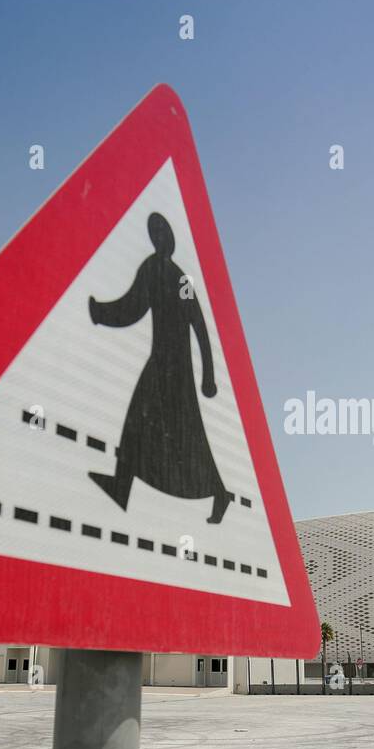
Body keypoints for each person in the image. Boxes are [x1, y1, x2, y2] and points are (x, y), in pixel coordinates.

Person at [88, 212, 234, 524]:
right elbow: (134, 305)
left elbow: (199, 324)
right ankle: (121, 486)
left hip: (177, 367)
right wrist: (101, 312)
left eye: (163, 232)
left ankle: (218, 493)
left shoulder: (179, 277)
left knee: (188, 436)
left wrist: (208, 375)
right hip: (162, 360)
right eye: (156, 233)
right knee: (138, 423)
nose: (160, 238)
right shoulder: (152, 268)